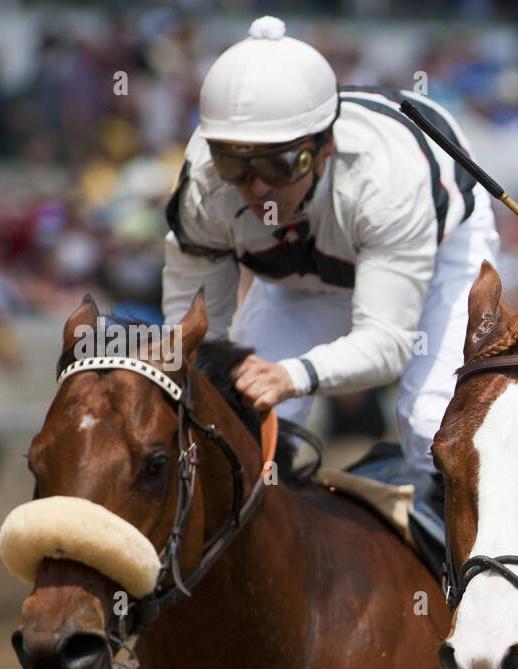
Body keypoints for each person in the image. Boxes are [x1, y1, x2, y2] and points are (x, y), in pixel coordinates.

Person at [162, 16, 498, 500]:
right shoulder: (204, 186)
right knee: (240, 419)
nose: (258, 188)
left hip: (438, 246)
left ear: (325, 148)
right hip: (307, 268)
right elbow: (197, 343)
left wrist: (291, 374)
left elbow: (386, 343)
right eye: (236, 162)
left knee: (430, 424)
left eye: (280, 163)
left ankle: (464, 573)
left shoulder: (385, 184)